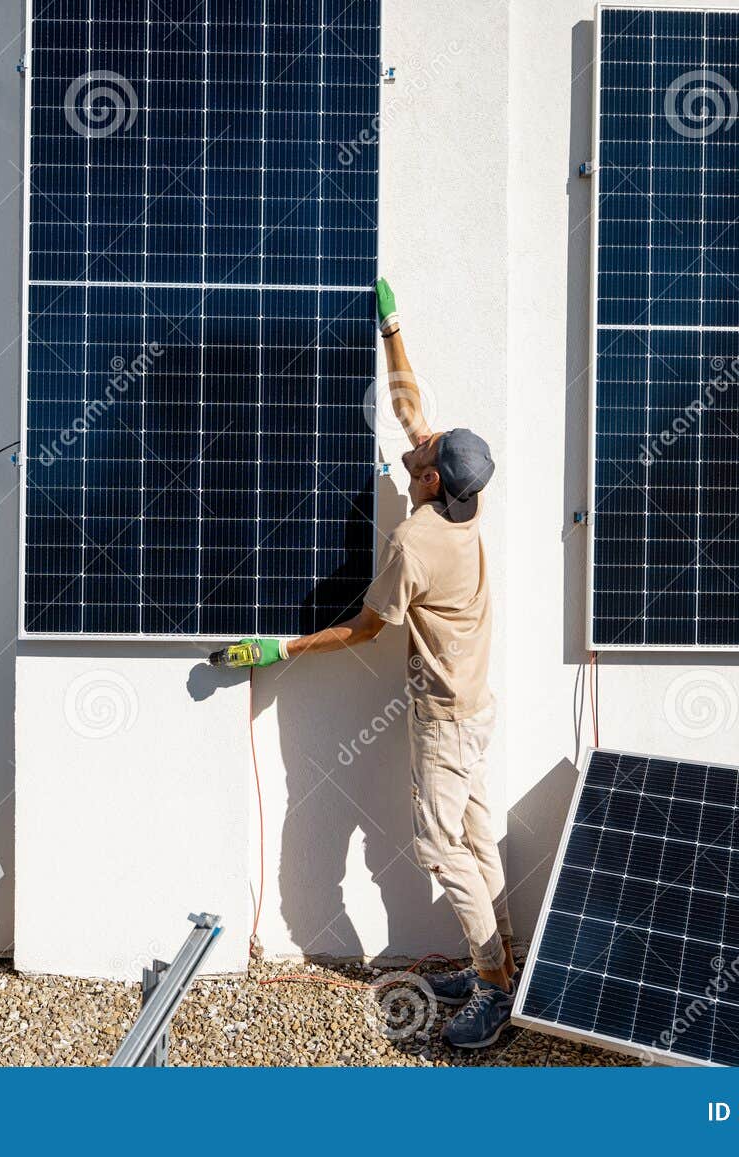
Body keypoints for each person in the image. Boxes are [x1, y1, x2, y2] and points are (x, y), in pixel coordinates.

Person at [222, 278, 512, 1049]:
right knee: (478, 838)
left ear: (431, 482)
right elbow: (412, 409)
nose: (414, 443)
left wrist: (282, 648)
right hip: (477, 705)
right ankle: (502, 959)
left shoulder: (415, 545)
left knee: (436, 846)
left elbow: (363, 629)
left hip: (447, 716)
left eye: (421, 457)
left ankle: (492, 988)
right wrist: (392, 325)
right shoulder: (465, 500)